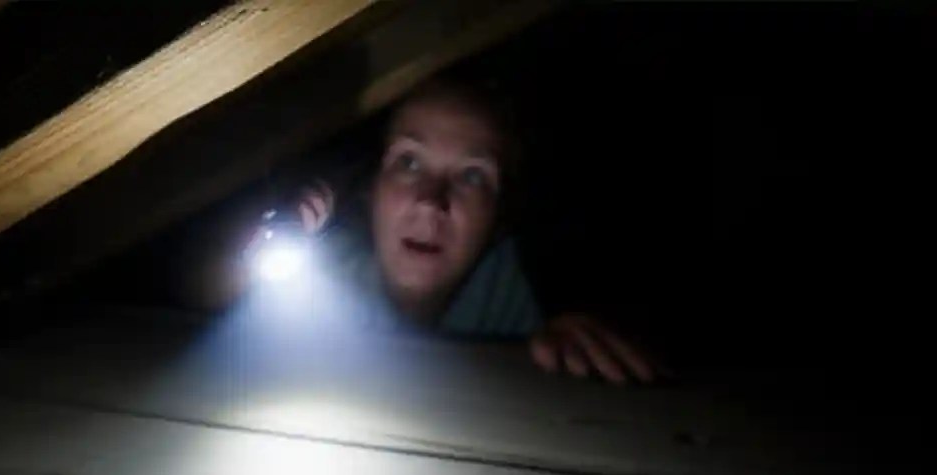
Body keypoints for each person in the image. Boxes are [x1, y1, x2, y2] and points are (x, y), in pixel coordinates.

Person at [188, 74, 660, 385]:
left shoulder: (526, 286)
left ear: (500, 215)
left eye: (472, 176)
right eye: (409, 163)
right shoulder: (320, 263)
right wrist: (249, 253)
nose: (431, 202)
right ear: (372, 187)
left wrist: (577, 340)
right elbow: (208, 293)